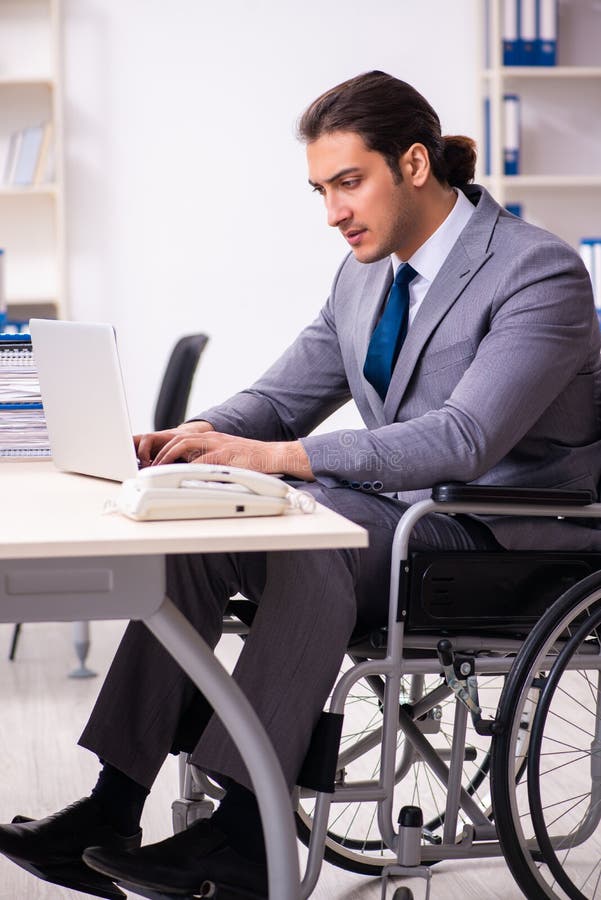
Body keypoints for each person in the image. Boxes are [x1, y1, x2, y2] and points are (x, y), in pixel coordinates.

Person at [1, 70, 600, 900]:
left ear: (415, 164)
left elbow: (464, 440)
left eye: (348, 183)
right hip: (394, 516)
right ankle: (111, 808)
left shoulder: (538, 272)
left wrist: (276, 459)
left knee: (305, 533)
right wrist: (189, 443)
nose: (332, 212)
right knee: (199, 534)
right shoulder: (362, 274)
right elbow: (280, 400)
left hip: (501, 531)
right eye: (321, 189)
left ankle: (245, 837)